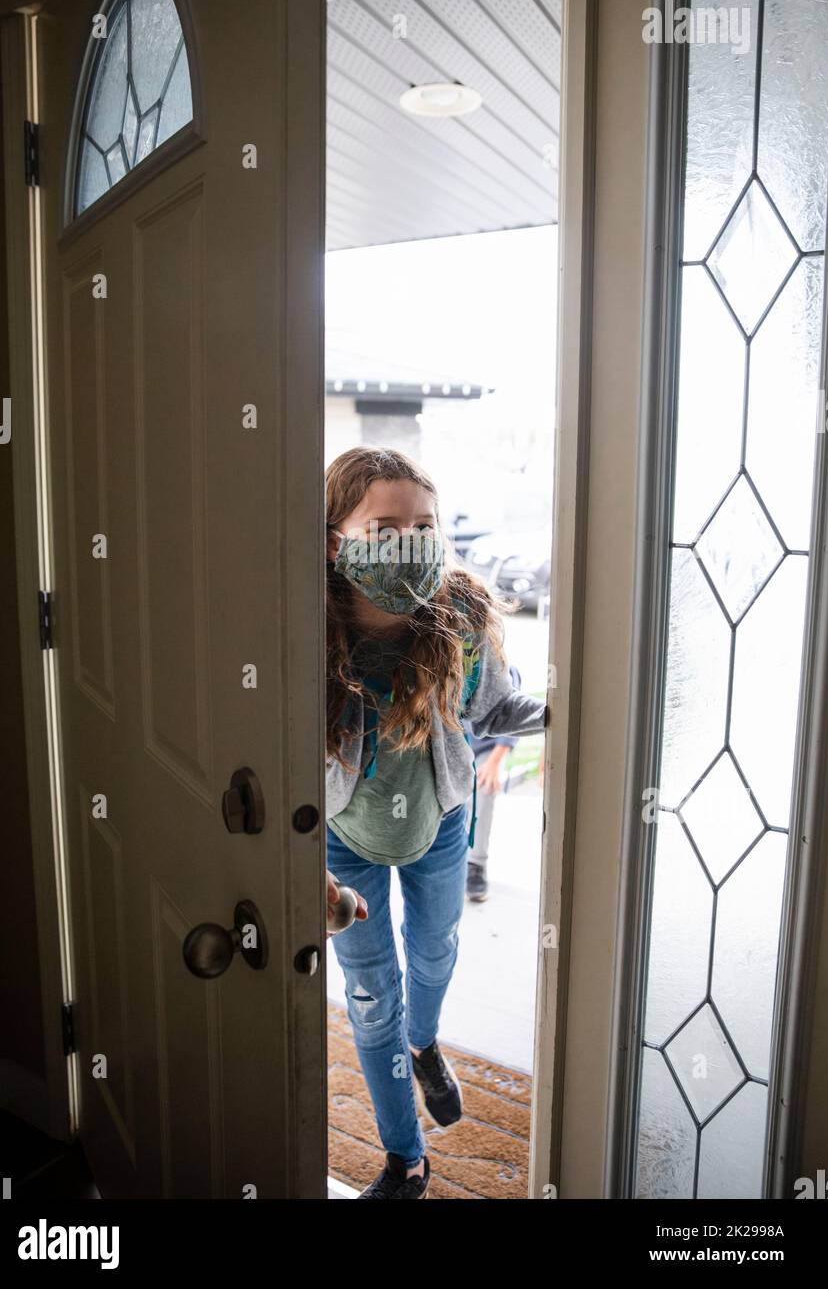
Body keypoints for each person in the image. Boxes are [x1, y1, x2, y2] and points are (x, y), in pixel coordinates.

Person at [324, 446, 548, 1199]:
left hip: (441, 823)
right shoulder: (300, 626)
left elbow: (492, 711)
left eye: (424, 524)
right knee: (369, 993)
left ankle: (425, 1044)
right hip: (339, 839)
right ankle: (406, 1159)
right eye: (384, 527)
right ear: (335, 539)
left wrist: (570, 706)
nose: (411, 540)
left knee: (433, 952)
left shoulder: (461, 617)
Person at [461, 663, 522, 903]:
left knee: (484, 790)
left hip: (487, 746)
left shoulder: (505, 666)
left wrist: (495, 762)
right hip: (456, 742)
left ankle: (476, 865)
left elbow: (512, 715)